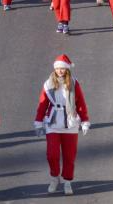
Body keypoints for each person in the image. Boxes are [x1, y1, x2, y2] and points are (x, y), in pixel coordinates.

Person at [34, 54, 90, 195]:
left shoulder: (74, 83)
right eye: (58, 68)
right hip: (53, 123)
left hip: (70, 123)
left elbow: (80, 103)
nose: (60, 71)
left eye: (62, 68)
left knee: (69, 156)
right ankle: (54, 177)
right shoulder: (48, 84)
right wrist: (39, 122)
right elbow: (42, 105)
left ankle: (67, 182)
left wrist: (84, 121)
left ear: (66, 70)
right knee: (52, 155)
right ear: (55, 69)